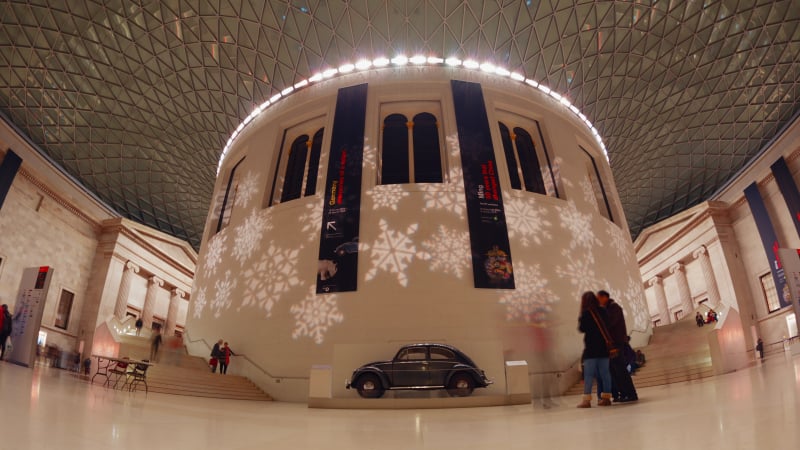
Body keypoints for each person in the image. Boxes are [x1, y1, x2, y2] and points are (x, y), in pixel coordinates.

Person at [597, 290, 638, 403]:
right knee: (614, 371)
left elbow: (610, 323)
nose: (598, 301)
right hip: (610, 345)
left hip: (617, 344)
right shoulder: (607, 309)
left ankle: (631, 394)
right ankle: (623, 394)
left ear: (605, 297)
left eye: (599, 298)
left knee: (620, 370)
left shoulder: (614, 308)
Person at [577, 291, 613, 408]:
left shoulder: (586, 313)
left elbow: (581, 328)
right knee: (605, 374)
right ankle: (606, 399)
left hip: (591, 349)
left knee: (588, 375)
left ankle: (586, 401)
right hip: (603, 348)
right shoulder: (603, 311)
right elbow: (608, 325)